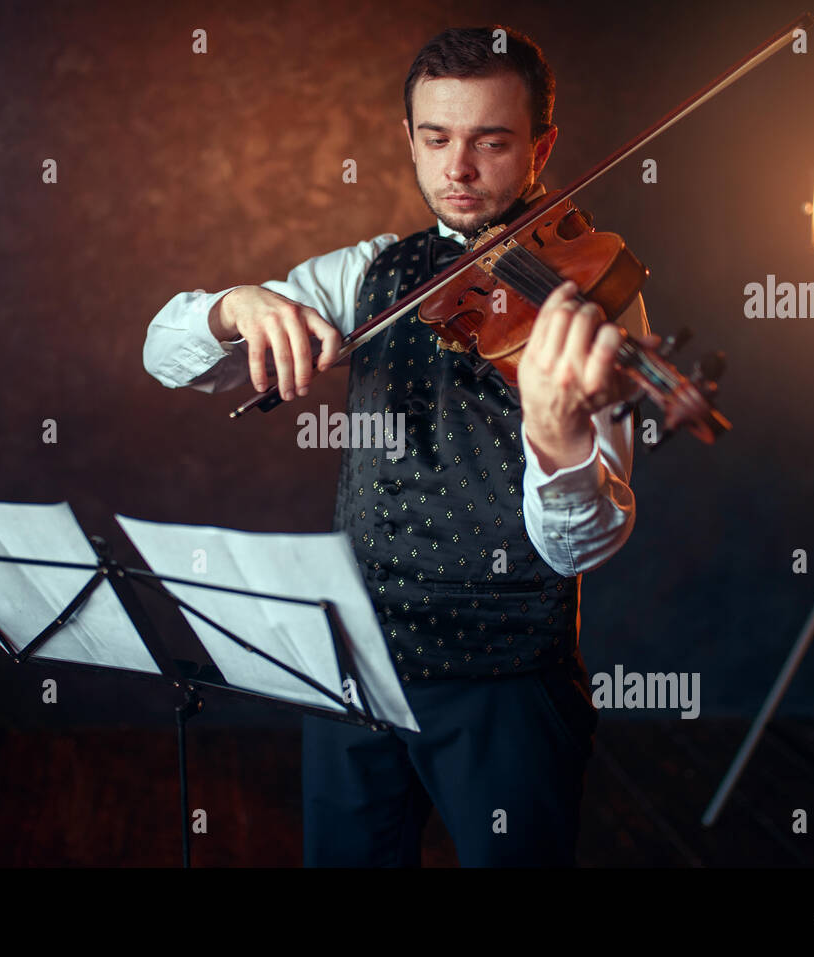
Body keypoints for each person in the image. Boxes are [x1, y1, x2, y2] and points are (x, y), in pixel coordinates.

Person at [144, 24, 654, 866]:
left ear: (541, 148)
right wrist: (237, 306)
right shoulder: (367, 274)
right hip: (355, 667)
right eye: (436, 138)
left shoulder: (586, 301)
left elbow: (584, 547)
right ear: (407, 142)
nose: (457, 169)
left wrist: (560, 441)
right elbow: (165, 356)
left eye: (491, 141)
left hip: (507, 681)